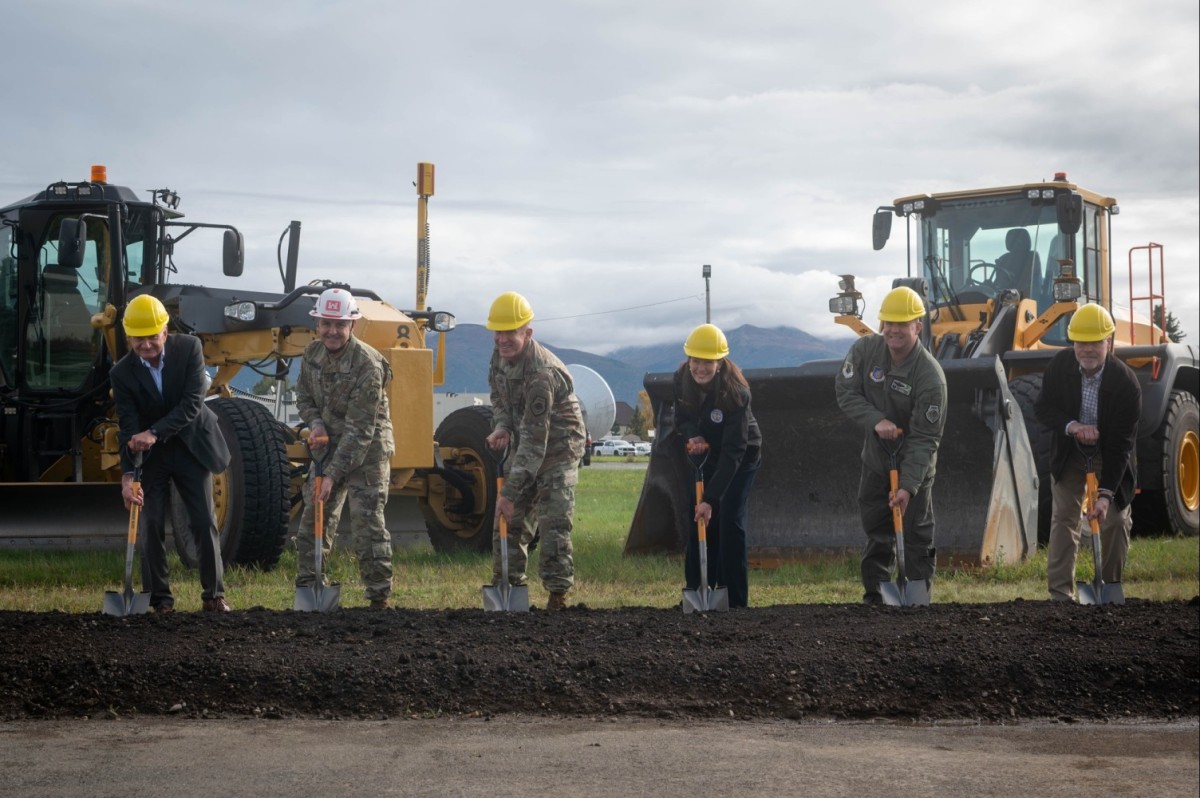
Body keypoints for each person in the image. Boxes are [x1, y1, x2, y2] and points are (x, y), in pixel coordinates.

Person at [111, 294, 232, 613]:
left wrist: (154, 432)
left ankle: (214, 596)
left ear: (165, 331)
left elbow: (193, 402)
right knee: (150, 524)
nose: (147, 345)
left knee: (203, 520)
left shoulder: (190, 348)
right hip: (152, 458)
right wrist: (127, 477)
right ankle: (159, 601)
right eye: (139, 339)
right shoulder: (121, 374)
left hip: (192, 446)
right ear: (129, 338)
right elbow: (128, 427)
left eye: (153, 336)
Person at [835, 286, 947, 604]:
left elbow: (926, 438)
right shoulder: (866, 350)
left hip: (914, 464)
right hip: (875, 459)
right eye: (889, 323)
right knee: (877, 528)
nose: (894, 330)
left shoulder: (930, 377)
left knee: (915, 533)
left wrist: (908, 487)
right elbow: (845, 389)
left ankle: (916, 596)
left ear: (917, 327)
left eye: (903, 323)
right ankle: (877, 594)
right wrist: (875, 420)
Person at [485, 291, 587, 611]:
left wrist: (509, 491)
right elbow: (499, 397)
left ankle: (558, 596)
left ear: (527, 333)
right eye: (498, 332)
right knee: (509, 520)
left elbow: (534, 441)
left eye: (510, 332)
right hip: (527, 437)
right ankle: (508, 587)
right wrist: (502, 425)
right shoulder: (498, 356)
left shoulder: (543, 373)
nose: (502, 339)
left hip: (559, 446)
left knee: (553, 520)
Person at [295, 287, 395, 610]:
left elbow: (360, 432)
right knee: (314, 514)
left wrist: (332, 475)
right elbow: (304, 397)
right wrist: (316, 424)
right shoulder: (311, 355)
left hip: (368, 446)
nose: (332, 331)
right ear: (317, 324)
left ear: (352, 324)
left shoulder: (368, 365)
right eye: (326, 323)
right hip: (329, 442)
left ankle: (379, 596)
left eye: (340, 324)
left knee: (367, 523)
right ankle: (310, 590)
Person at [1034, 303, 1140, 602]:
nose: (1087, 350)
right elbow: (1043, 408)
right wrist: (1073, 427)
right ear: (1073, 343)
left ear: (1109, 342)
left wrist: (1105, 496)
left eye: (1095, 343)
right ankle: (1060, 596)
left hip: (1110, 453)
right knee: (1065, 519)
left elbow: (1122, 445)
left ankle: (1108, 588)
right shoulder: (1060, 366)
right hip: (1071, 451)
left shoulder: (1125, 384)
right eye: (1081, 342)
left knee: (1116, 521)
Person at [673, 323, 762, 609]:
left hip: (740, 458)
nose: (700, 368)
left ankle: (733, 599)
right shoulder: (680, 378)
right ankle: (696, 592)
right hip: (705, 454)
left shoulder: (736, 392)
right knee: (695, 519)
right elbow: (682, 419)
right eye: (695, 360)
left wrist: (711, 499)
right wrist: (692, 435)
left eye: (707, 362)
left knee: (729, 522)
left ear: (720, 362)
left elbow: (734, 452)